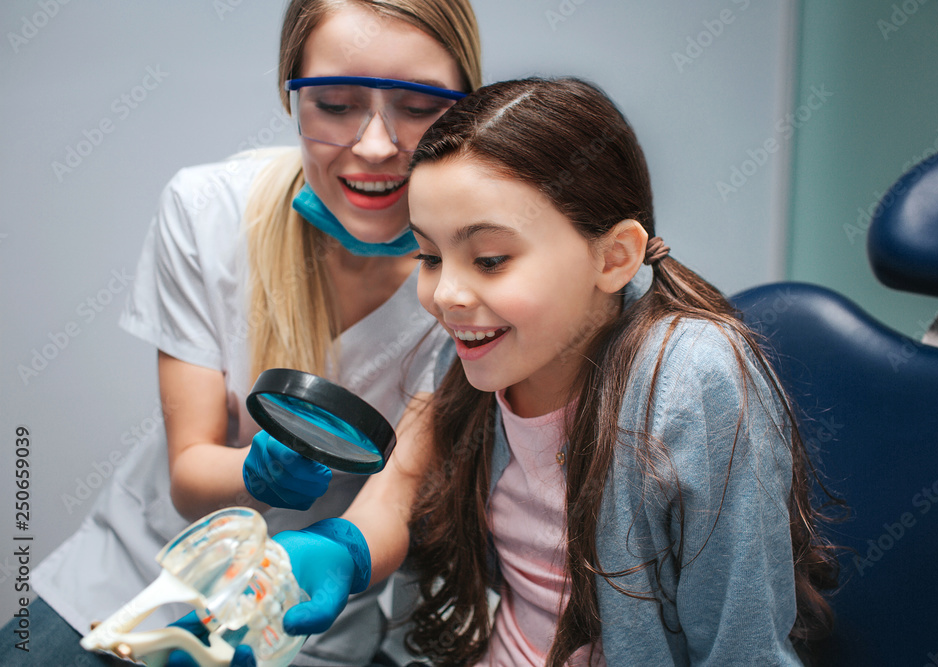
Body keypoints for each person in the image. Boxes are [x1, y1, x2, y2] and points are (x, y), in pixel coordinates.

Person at [248, 76, 843, 666]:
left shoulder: (691, 383)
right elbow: (398, 487)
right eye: (428, 256)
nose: (446, 294)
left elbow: (742, 651)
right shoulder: (474, 355)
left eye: (489, 260)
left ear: (614, 258)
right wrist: (344, 552)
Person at [5, 1, 482, 665]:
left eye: (420, 105)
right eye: (336, 104)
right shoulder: (206, 211)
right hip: (138, 583)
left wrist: (340, 552)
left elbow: (395, 494)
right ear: (291, 98)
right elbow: (189, 468)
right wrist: (255, 473)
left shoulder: (476, 286)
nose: (376, 145)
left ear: (467, 109)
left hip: (297, 623)